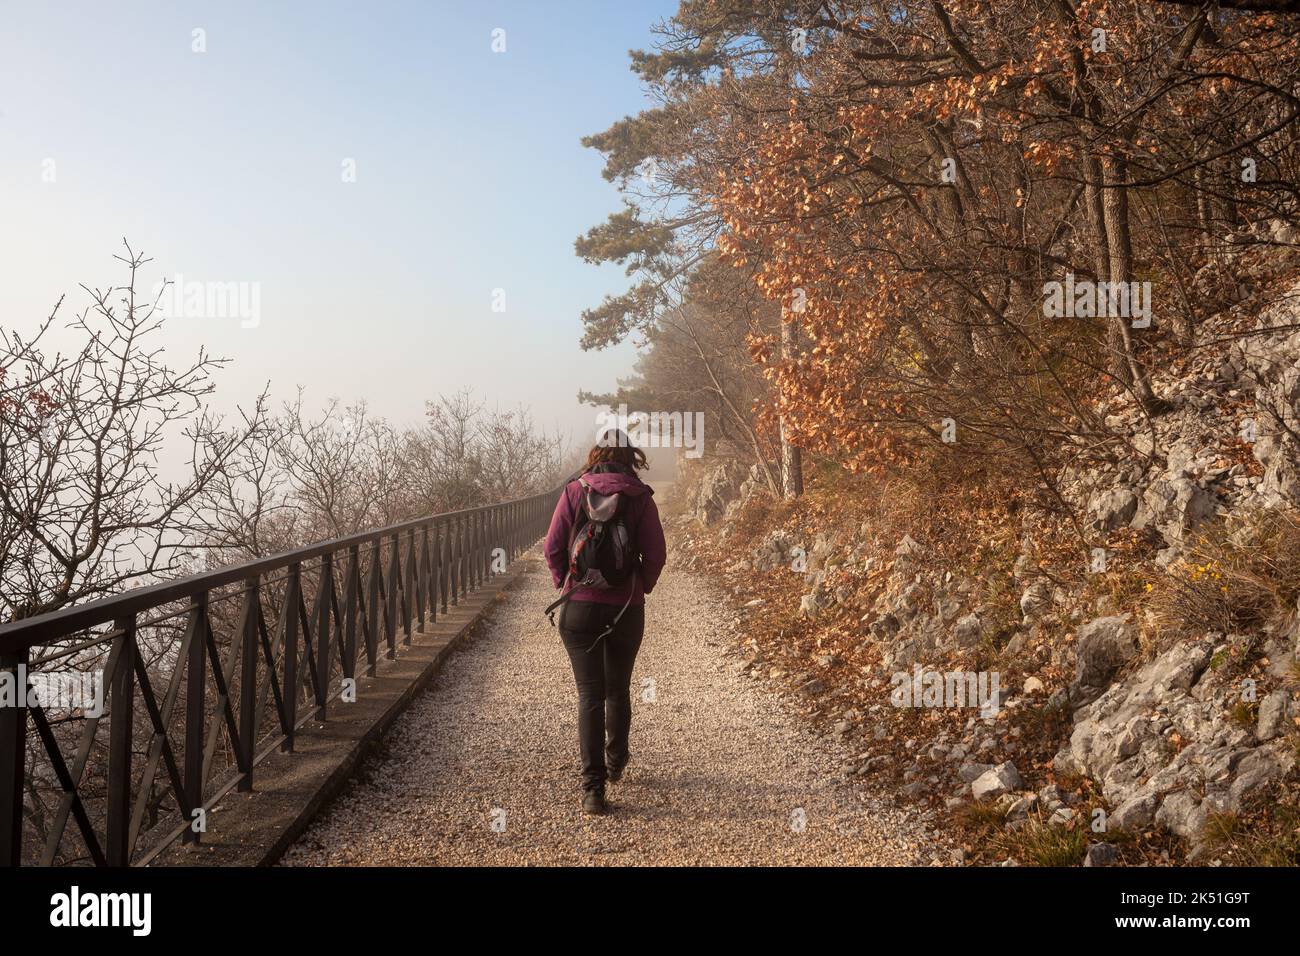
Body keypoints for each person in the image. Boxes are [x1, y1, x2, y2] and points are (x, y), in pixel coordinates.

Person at [543, 430, 666, 815]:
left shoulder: (574, 491)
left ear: (595, 455)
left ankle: (593, 790)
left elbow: (552, 547)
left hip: (579, 608)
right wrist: (639, 585)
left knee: (589, 695)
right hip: (625, 608)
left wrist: (566, 582)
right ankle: (616, 761)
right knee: (618, 689)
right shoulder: (640, 498)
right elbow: (657, 554)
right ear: (631, 457)